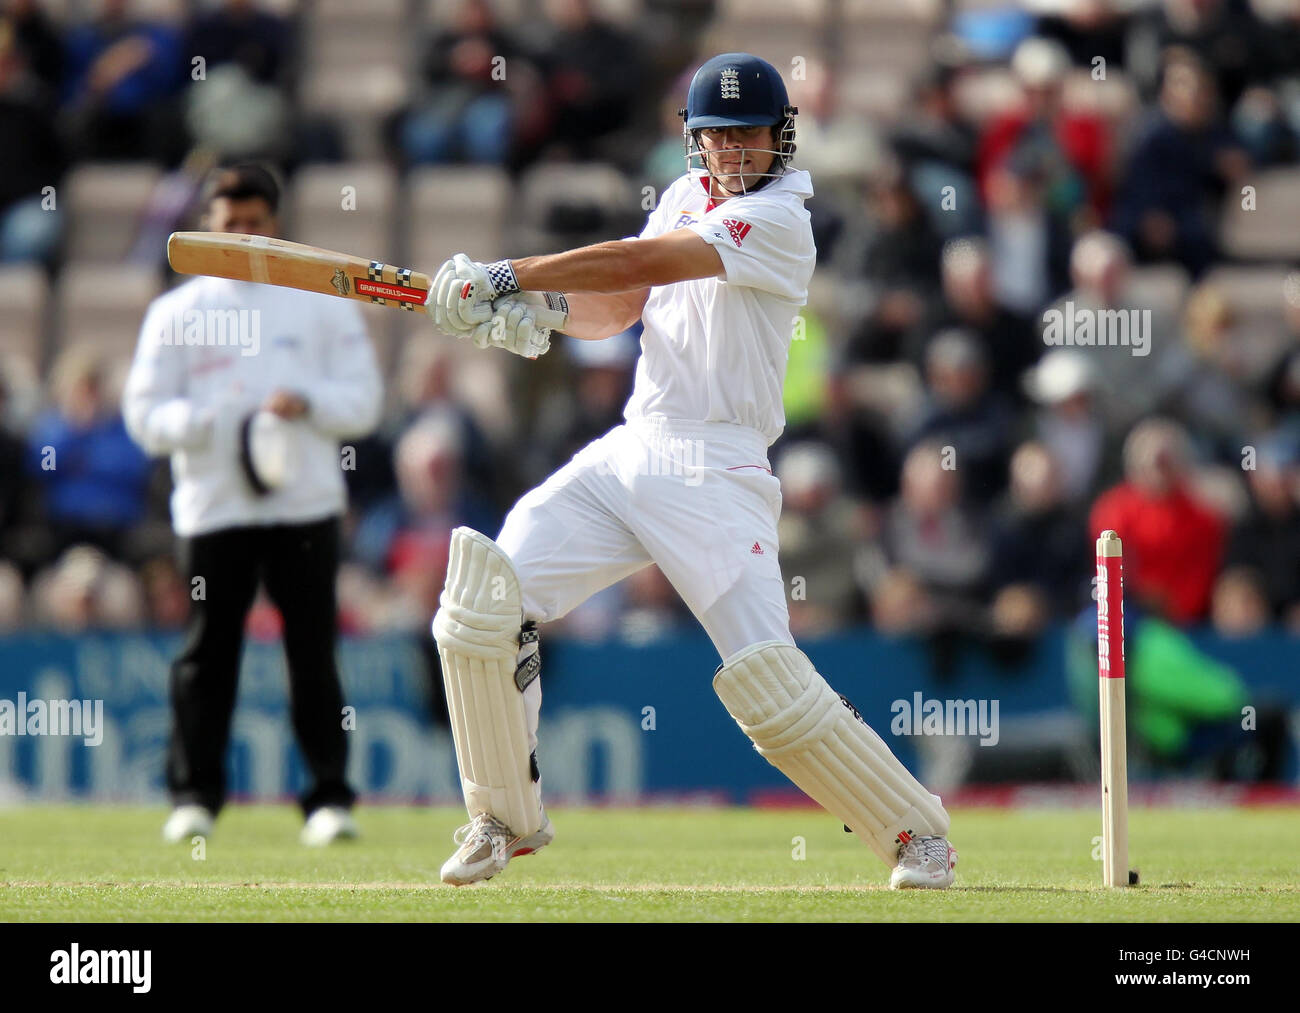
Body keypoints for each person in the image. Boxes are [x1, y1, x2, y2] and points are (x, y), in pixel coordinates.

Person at [424, 53, 958, 889]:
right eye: (718, 137)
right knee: (480, 603)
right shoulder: (683, 196)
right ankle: (502, 818)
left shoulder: (783, 219)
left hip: (719, 466)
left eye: (749, 136)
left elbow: (642, 265)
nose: (734, 154)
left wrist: (508, 275)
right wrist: (537, 313)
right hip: (636, 444)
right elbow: (619, 306)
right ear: (693, 142)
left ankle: (919, 832)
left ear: (781, 140)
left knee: (768, 686)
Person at [122, 164, 383, 846]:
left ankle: (328, 798)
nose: (240, 234)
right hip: (216, 506)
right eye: (228, 222)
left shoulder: (322, 300)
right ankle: (194, 796)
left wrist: (308, 404)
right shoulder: (175, 313)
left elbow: (363, 402)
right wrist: (205, 421)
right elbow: (145, 413)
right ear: (207, 224)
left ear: (275, 225)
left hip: (304, 505)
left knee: (312, 651)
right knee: (209, 652)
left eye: (254, 223)